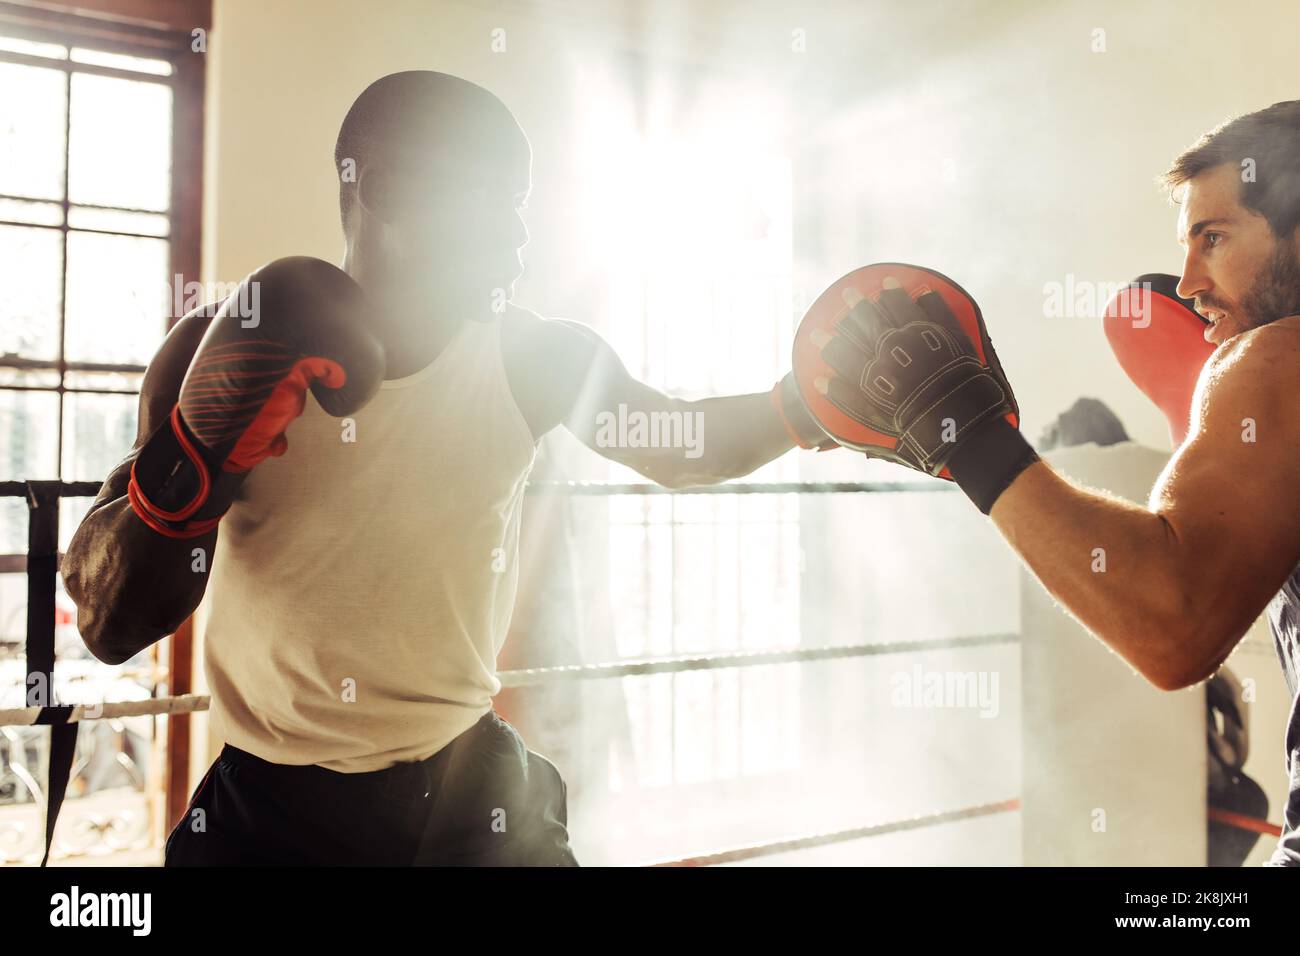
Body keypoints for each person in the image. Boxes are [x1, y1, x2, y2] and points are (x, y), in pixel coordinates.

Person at [61, 71, 829, 865]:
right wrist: (196, 453)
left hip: (472, 792)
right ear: (387, 188)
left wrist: (809, 404)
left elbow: (679, 442)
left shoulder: (531, 358)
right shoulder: (206, 350)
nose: (519, 240)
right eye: (495, 200)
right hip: (272, 810)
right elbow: (109, 621)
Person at [803, 100, 1300, 864]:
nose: (1190, 280)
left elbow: (1174, 624)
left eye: (1214, 237)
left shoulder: (1278, 358)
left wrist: (969, 440)